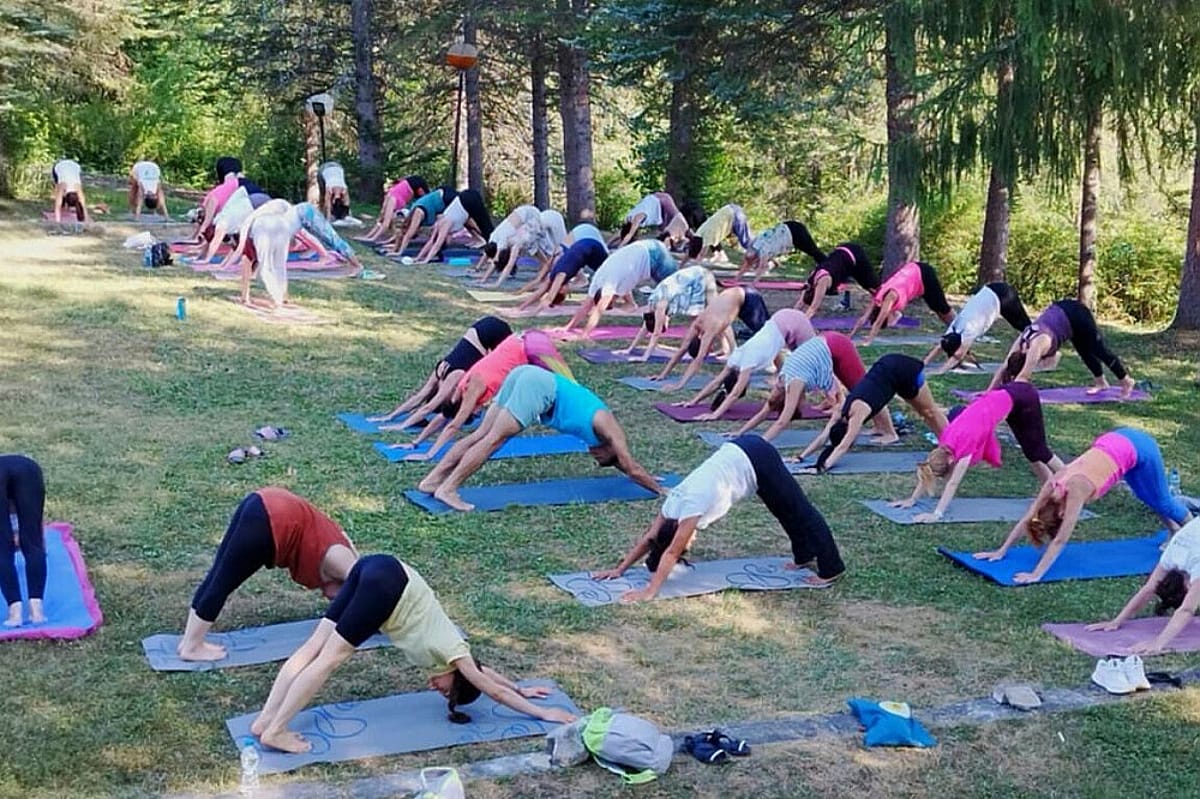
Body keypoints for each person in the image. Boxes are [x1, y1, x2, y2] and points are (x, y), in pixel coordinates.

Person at [249, 553, 575, 753]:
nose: (434, 688)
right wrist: (542, 713)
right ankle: (276, 730)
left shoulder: (456, 660)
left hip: (378, 566)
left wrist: (519, 687)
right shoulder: (453, 652)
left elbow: (484, 673)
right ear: (458, 677)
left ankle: (266, 720)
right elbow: (489, 687)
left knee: (314, 647)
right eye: (445, 691)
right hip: (388, 585)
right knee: (329, 658)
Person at [593, 434, 845, 601]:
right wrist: (619, 570)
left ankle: (831, 568)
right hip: (742, 451)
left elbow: (670, 552)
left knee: (801, 511)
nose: (691, 543)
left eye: (687, 544)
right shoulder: (670, 508)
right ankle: (803, 556)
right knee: (783, 510)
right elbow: (650, 538)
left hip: (756, 457)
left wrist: (649, 591)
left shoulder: (690, 509)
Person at [415, 365, 663, 512]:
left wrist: (647, 477)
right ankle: (448, 488)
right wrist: (661, 490)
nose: (593, 454)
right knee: (492, 441)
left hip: (527, 375)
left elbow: (624, 465)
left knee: (481, 435)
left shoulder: (604, 442)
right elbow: (630, 465)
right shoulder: (608, 427)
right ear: (612, 449)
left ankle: (431, 481)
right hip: (539, 386)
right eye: (600, 456)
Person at [973, 427, 1193, 583]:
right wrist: (1001, 551)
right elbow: (1029, 516)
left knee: (1163, 500)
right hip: (1116, 442)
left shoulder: (1075, 490)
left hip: (1140, 446)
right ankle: (1174, 530)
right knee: (1147, 496)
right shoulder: (1052, 484)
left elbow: (1061, 540)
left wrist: (1036, 574)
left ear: (1060, 513)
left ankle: (1194, 534)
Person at [177, 488, 359, 662]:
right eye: (337, 598)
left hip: (261, 502)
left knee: (218, 576)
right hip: (273, 519)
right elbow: (366, 588)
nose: (330, 599)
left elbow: (347, 542)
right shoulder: (343, 562)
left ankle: (189, 642)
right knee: (222, 582)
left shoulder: (345, 561)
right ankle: (192, 647)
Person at [890, 383, 1065, 522]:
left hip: (1023, 397)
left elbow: (953, 483)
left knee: (1040, 451)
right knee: (1032, 452)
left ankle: (1071, 480)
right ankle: (1052, 490)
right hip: (1007, 396)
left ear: (951, 462)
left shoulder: (964, 447)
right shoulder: (944, 443)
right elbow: (929, 468)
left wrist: (937, 514)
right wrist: (912, 499)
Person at [391, 332, 571, 460]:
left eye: (474, 413)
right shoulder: (458, 392)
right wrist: (415, 443)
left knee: (569, 387)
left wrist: (429, 454)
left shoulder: (471, 390)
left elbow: (453, 425)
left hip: (530, 345)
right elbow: (443, 418)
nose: (478, 412)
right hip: (523, 341)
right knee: (561, 388)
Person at [733, 332, 897, 442]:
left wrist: (762, 442)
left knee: (865, 391)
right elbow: (766, 410)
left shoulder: (794, 383)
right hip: (827, 343)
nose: (803, 403)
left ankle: (890, 433)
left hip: (838, 345)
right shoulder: (781, 384)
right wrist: (739, 432)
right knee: (859, 391)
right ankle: (879, 426)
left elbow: (782, 421)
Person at [799, 353, 948, 473]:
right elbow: (823, 437)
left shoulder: (856, 414)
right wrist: (801, 457)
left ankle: (952, 445)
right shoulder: (840, 412)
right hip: (889, 373)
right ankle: (944, 445)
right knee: (924, 412)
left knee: (930, 411)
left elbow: (843, 446)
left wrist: (823, 468)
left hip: (902, 368)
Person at [368, 317, 512, 430]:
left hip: (490, 330)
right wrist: (390, 417)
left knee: (509, 364)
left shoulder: (450, 375)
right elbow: (420, 399)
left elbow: (427, 405)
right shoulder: (441, 370)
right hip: (482, 329)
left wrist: (401, 425)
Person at [673, 309, 817, 421]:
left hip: (792, 321)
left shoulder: (746, 363)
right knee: (806, 362)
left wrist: (715, 415)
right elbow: (716, 382)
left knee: (815, 359)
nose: (746, 384)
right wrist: (693, 401)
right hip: (781, 320)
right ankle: (824, 400)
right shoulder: (735, 358)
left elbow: (735, 393)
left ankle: (830, 400)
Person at [1084, 517, 1200, 654]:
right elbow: (1148, 589)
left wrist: (1158, 643)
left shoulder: (1183, 561)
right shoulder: (1173, 558)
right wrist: (1116, 621)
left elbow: (1187, 609)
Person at [987, 299, 1137, 397]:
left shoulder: (1036, 347)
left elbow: (1023, 378)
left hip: (1076, 313)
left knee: (1098, 349)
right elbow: (1004, 366)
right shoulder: (1020, 343)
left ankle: (1126, 380)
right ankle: (1101, 382)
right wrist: (988, 392)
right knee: (1084, 351)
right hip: (1062, 314)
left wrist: (1008, 398)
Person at [652, 286, 770, 389]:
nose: (710, 349)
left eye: (708, 351)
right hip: (738, 295)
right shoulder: (697, 324)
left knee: (770, 335)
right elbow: (682, 350)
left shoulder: (708, 332)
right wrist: (663, 374)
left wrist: (679, 385)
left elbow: (698, 360)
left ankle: (777, 374)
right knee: (768, 334)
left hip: (748, 298)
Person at [560, 239, 679, 340]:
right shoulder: (598, 281)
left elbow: (598, 310)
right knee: (667, 295)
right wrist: (567, 327)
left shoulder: (609, 285)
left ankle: (670, 319)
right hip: (646, 248)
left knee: (678, 289)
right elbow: (585, 307)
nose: (616, 300)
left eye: (612, 302)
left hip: (654, 255)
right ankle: (663, 318)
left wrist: (584, 334)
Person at [925, 282, 1032, 371]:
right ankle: (1033, 349)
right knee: (1023, 328)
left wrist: (940, 371)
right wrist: (924, 363)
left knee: (1027, 327)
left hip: (1003, 295)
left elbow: (958, 355)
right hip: (992, 290)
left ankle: (1036, 353)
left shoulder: (969, 330)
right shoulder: (955, 326)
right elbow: (940, 346)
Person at [617, 266, 718, 359]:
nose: (667, 323)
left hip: (699, 276)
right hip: (695, 275)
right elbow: (645, 328)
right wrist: (629, 349)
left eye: (665, 325)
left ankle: (711, 347)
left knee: (707, 317)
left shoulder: (659, 305)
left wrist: (645, 357)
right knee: (709, 316)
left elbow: (656, 333)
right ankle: (722, 348)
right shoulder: (651, 308)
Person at [849, 261, 956, 345]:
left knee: (943, 308)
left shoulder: (889, 297)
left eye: (890, 321)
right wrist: (850, 336)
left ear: (887, 315)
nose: (893, 323)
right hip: (915, 273)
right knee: (937, 308)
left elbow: (878, 322)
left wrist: (868, 340)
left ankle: (959, 329)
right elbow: (863, 319)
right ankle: (953, 330)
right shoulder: (877, 299)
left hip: (923, 274)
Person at [0, 455, 46, 627]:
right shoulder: (27, 466)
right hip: (29, 470)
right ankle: (37, 611)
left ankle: (15, 613)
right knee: (33, 543)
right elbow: (38, 539)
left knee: (2, 548)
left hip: (26, 469)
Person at [515, 237, 609, 312]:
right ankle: (604, 299)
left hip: (592, 248)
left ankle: (608, 299)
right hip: (585, 248)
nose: (568, 290)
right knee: (604, 276)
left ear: (560, 290)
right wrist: (521, 307)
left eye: (565, 293)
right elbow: (539, 293)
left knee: (608, 276)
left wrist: (534, 312)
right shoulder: (551, 277)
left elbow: (549, 298)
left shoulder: (560, 276)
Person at [485, 208, 568, 286]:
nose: (517, 257)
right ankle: (550, 278)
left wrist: (497, 283)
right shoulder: (523, 243)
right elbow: (545, 262)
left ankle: (569, 277)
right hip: (543, 220)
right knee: (552, 256)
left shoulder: (516, 245)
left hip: (552, 218)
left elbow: (509, 265)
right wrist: (485, 279)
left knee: (562, 250)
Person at [794, 244, 879, 317]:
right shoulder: (810, 280)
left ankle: (882, 310)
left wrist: (800, 324)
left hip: (855, 254)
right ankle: (878, 309)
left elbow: (813, 308)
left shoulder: (822, 282)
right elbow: (800, 303)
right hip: (843, 252)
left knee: (874, 288)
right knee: (869, 287)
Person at [413, 189, 494, 263]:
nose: (451, 241)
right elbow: (431, 242)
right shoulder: (438, 227)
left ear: (445, 239)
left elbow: (437, 244)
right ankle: (491, 252)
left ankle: (494, 255)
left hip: (468, 199)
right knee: (485, 228)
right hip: (466, 201)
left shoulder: (444, 226)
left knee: (486, 228)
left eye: (448, 242)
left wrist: (426, 260)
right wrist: (418, 258)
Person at [735, 220, 826, 283]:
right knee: (814, 252)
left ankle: (829, 269)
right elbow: (747, 263)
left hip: (794, 232)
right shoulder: (755, 244)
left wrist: (754, 282)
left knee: (814, 252)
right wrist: (736, 279)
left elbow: (762, 267)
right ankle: (827, 267)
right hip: (790, 228)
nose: (753, 263)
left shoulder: (763, 250)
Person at [472, 205, 543, 283]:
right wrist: (477, 269)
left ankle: (542, 269)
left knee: (525, 247)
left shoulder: (502, 241)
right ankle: (511, 270)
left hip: (530, 214)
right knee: (515, 250)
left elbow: (495, 260)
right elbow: (487, 254)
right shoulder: (493, 238)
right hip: (523, 212)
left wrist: (483, 279)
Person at [385, 185, 454, 255]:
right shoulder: (419, 215)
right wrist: (394, 249)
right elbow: (402, 235)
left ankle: (441, 247)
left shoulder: (417, 213)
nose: (417, 231)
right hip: (443, 198)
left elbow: (408, 235)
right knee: (444, 227)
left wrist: (399, 252)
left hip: (444, 195)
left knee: (445, 228)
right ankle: (441, 247)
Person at [610, 192, 689, 248]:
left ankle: (689, 239)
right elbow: (620, 233)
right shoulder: (628, 219)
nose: (637, 233)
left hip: (662, 201)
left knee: (677, 221)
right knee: (664, 230)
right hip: (657, 201)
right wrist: (607, 244)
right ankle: (684, 240)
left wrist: (619, 247)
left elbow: (629, 234)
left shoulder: (637, 219)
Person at [361, 175, 429, 242]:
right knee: (384, 219)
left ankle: (373, 238)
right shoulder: (394, 191)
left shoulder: (392, 195)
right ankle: (370, 236)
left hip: (397, 197)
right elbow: (381, 217)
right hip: (400, 197)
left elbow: (385, 224)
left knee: (385, 221)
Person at [684, 204, 753, 263]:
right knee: (747, 241)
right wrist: (681, 267)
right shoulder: (699, 233)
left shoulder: (706, 237)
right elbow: (691, 253)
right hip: (730, 210)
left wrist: (695, 264)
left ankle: (757, 259)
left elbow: (702, 254)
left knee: (746, 242)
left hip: (733, 214)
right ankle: (721, 257)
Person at [51, 158, 89, 224]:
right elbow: (57, 206)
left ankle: (63, 206)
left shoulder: (77, 188)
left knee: (59, 195)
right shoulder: (64, 186)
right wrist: (57, 222)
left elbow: (83, 206)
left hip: (75, 166)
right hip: (60, 165)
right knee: (57, 189)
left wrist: (86, 221)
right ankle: (63, 206)